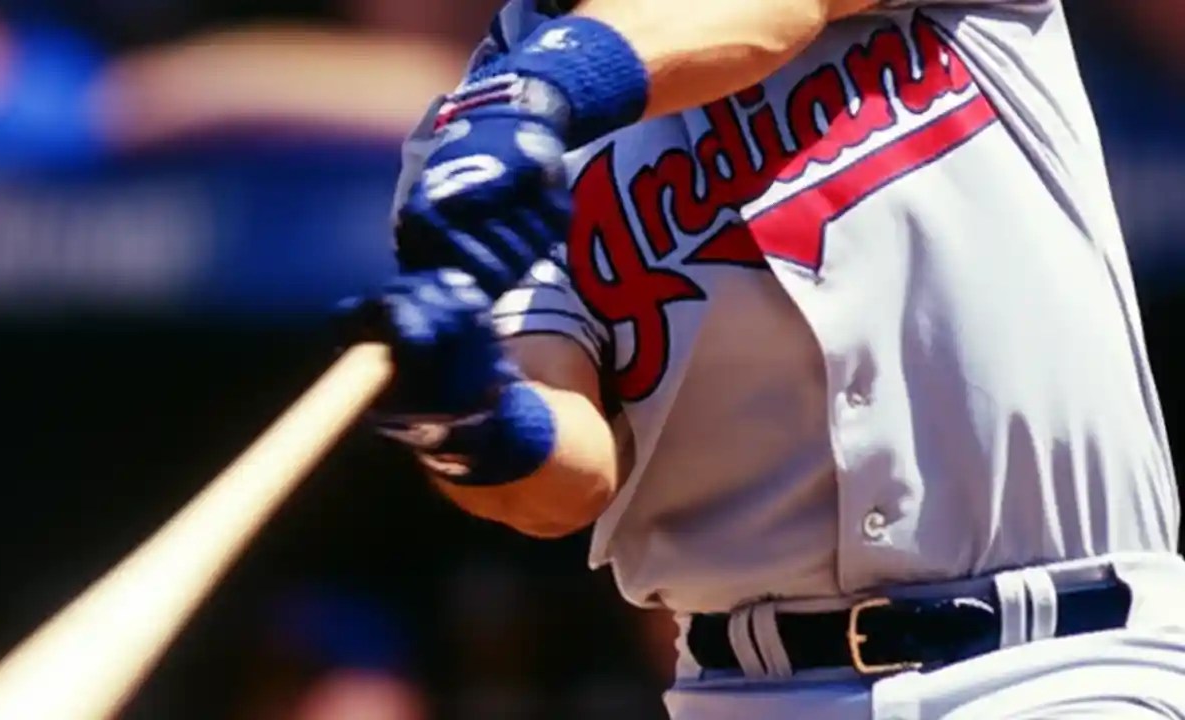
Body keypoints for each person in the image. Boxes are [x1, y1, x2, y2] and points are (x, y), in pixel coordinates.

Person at [353, 0, 1184, 717]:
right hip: (752, 693)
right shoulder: (474, 139)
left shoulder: (523, 110)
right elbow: (563, 481)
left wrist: (555, 86)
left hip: (1070, 662)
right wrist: (473, 416)